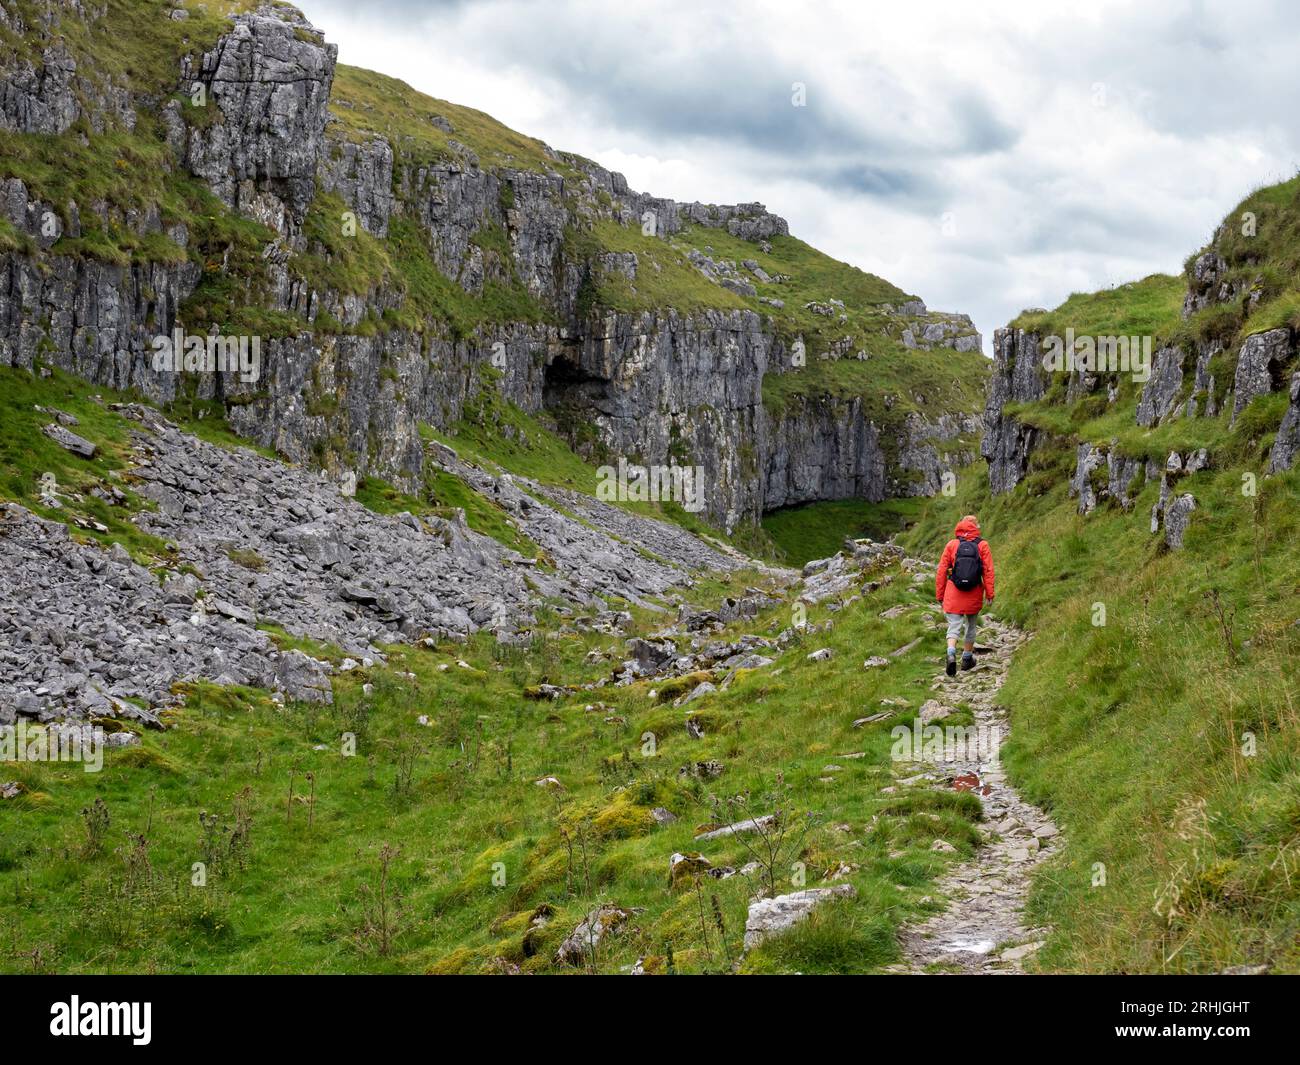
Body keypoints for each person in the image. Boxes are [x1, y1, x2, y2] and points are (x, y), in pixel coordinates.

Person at [935, 515, 995, 677]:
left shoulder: (952, 545)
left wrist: (940, 594)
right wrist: (990, 593)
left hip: (954, 591)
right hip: (974, 592)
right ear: (976, 527)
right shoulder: (982, 545)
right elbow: (988, 571)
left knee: (954, 625)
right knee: (971, 626)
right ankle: (967, 659)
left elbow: (941, 571)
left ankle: (951, 652)